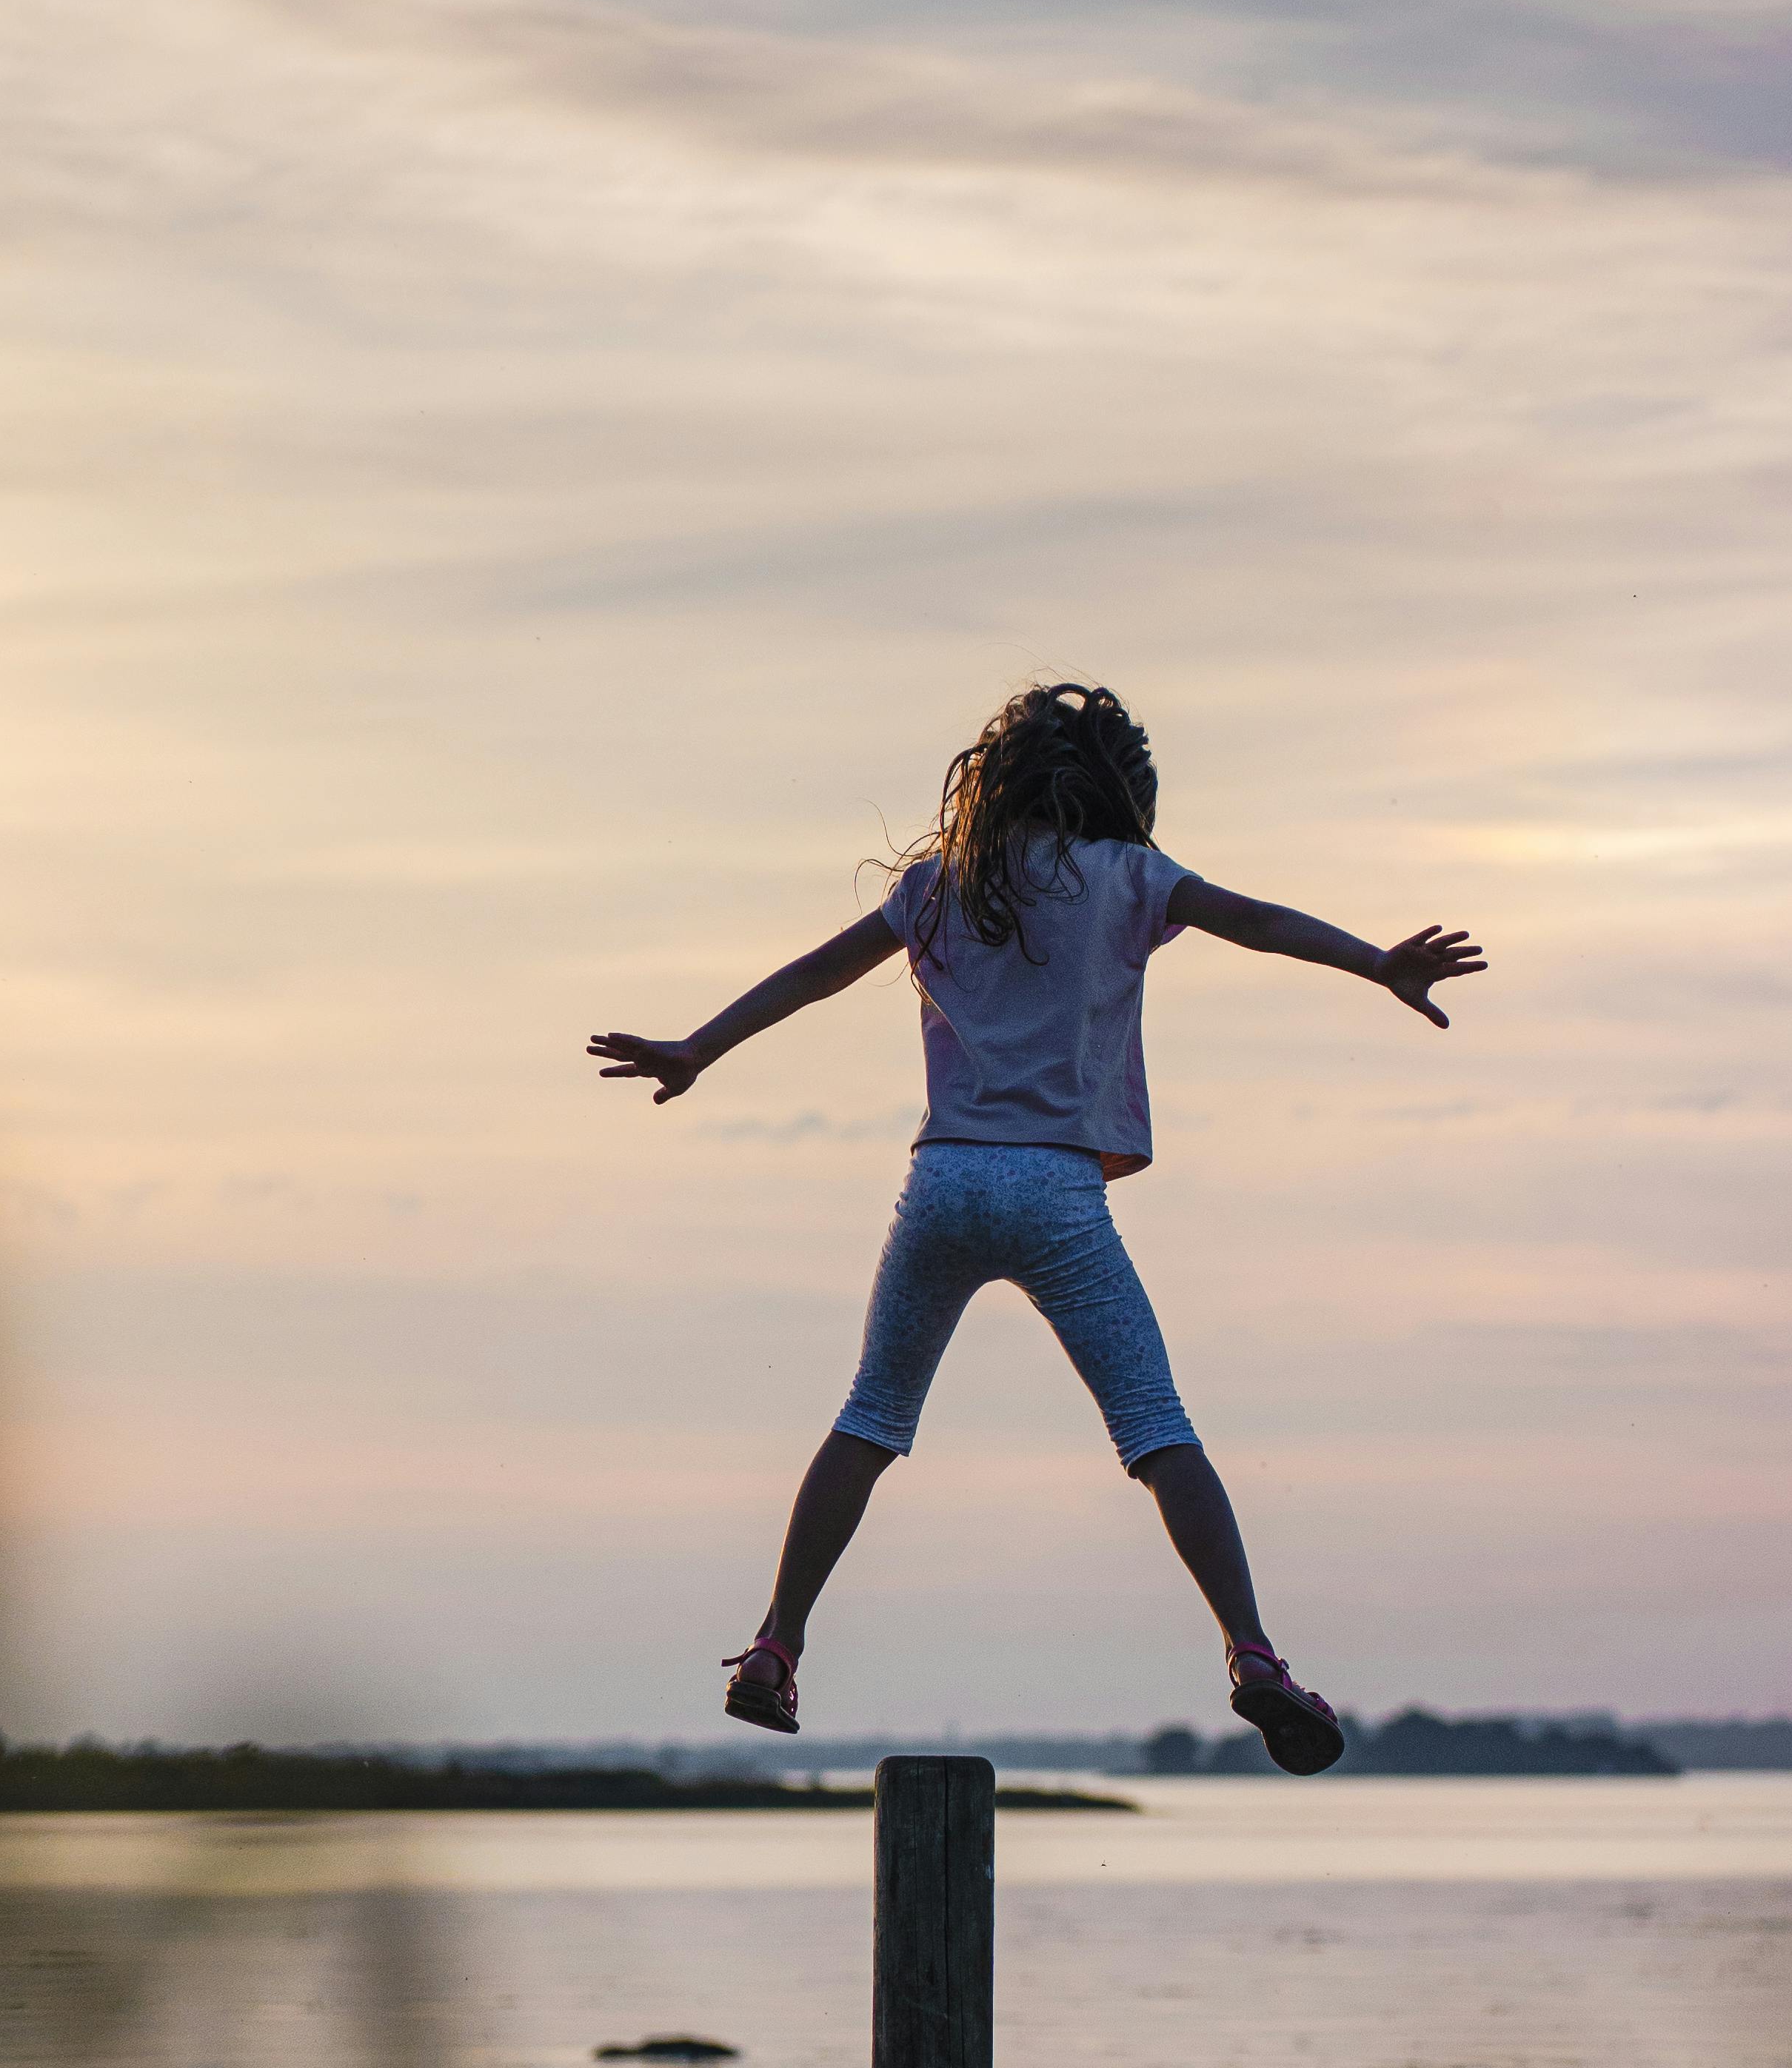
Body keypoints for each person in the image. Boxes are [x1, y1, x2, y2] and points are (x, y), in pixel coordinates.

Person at [588, 680, 1483, 1773]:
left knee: (869, 1423)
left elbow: (818, 975)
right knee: (1158, 1434)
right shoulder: (1128, 878)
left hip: (946, 1183)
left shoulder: (941, 886)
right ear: (1120, 793)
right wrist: (1376, 964)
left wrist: (699, 1048)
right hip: (1059, 1194)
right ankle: (1252, 1656)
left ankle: (776, 1645)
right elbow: (1254, 921)